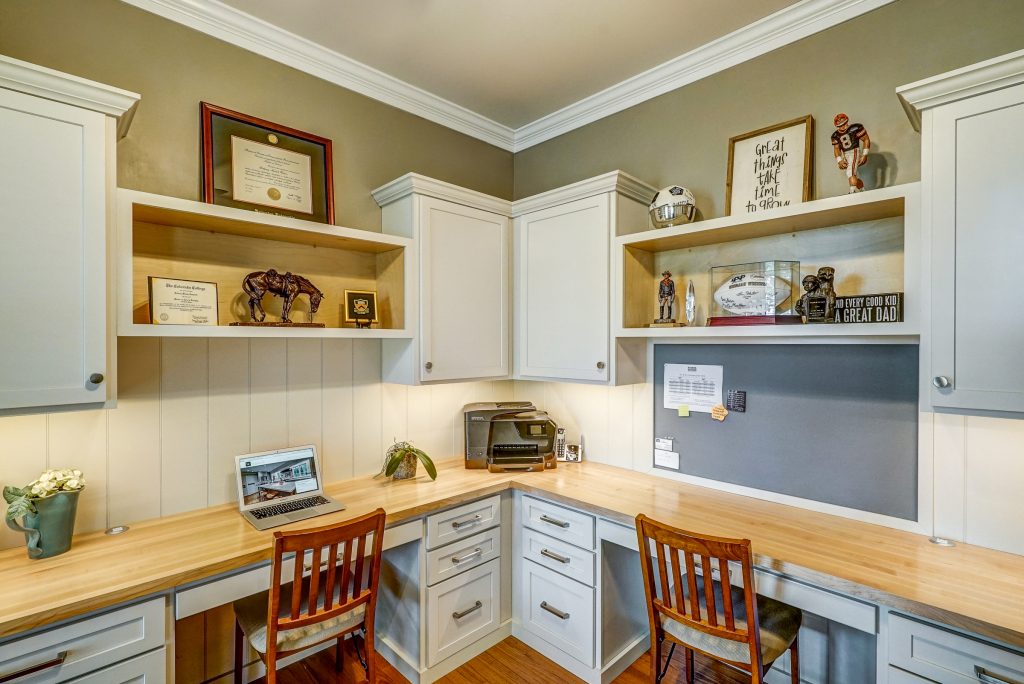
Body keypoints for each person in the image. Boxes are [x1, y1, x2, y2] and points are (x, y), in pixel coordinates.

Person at [831, 113, 871, 193]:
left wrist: (864, 154)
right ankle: (862, 189)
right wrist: (839, 160)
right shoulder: (835, 135)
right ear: (836, 126)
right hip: (845, 154)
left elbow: (866, 139)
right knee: (851, 174)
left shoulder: (855, 128)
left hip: (854, 151)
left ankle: (852, 192)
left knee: (850, 173)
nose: (843, 126)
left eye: (844, 123)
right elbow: (836, 148)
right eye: (840, 125)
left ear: (847, 121)